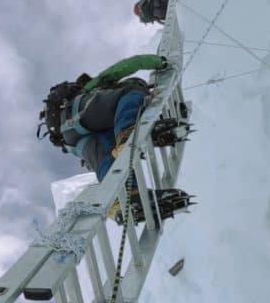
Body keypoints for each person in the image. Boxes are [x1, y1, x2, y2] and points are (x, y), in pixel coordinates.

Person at [37, 54, 192, 224]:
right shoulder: (96, 86)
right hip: (77, 115)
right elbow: (124, 67)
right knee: (130, 94)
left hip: (74, 140)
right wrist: (159, 62)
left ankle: (124, 199)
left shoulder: (107, 109)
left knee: (110, 160)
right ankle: (127, 135)